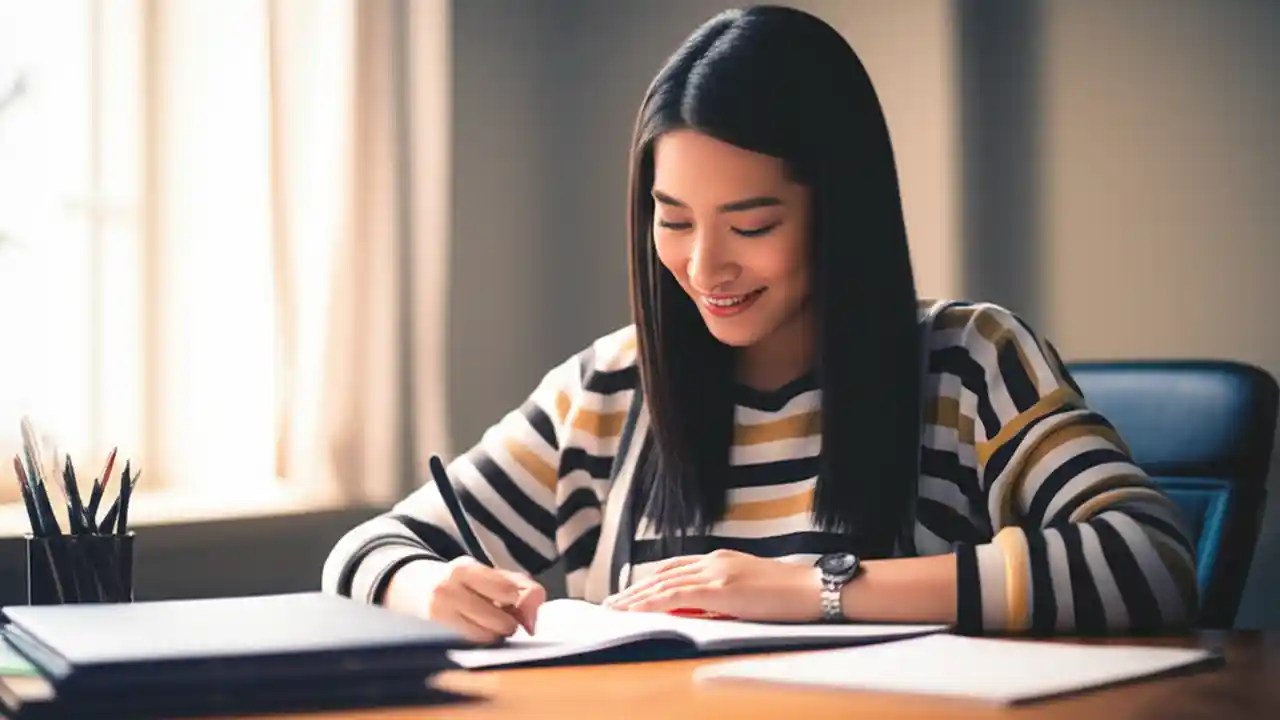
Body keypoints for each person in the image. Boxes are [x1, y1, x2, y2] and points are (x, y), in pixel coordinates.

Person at [322, 5, 1196, 643]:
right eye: (671, 220)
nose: (705, 268)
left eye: (752, 226)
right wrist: (427, 584)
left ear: (838, 213)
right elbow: (365, 551)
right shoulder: (606, 392)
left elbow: (1145, 562)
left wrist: (813, 588)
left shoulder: (969, 364)